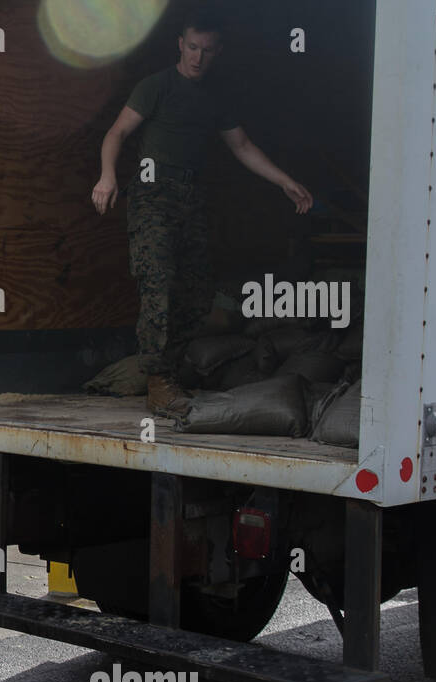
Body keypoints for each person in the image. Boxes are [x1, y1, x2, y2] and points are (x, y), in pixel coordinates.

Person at [91, 4, 313, 416]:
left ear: (218, 51)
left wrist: (284, 180)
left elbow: (242, 147)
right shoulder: (156, 86)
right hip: (154, 197)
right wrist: (106, 176)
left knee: (194, 298)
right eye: (192, 47)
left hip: (191, 202)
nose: (197, 57)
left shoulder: (215, 99)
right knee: (158, 286)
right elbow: (117, 132)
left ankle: (168, 374)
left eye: (207, 50)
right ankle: (158, 382)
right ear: (180, 44)